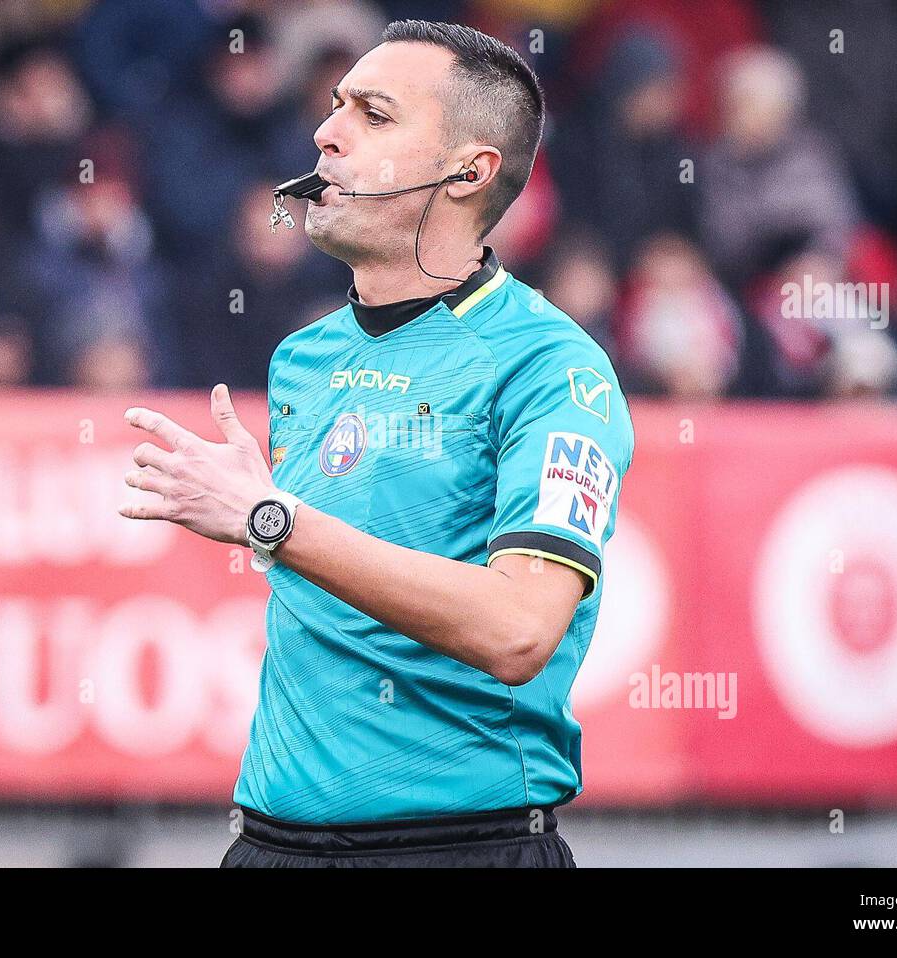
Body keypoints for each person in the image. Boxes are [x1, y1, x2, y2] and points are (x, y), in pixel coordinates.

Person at [118, 20, 633, 868]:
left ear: (469, 171)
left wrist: (273, 521)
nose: (326, 132)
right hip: (267, 846)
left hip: (458, 850)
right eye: (333, 106)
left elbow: (518, 629)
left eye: (374, 114)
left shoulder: (553, 367)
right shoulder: (303, 357)